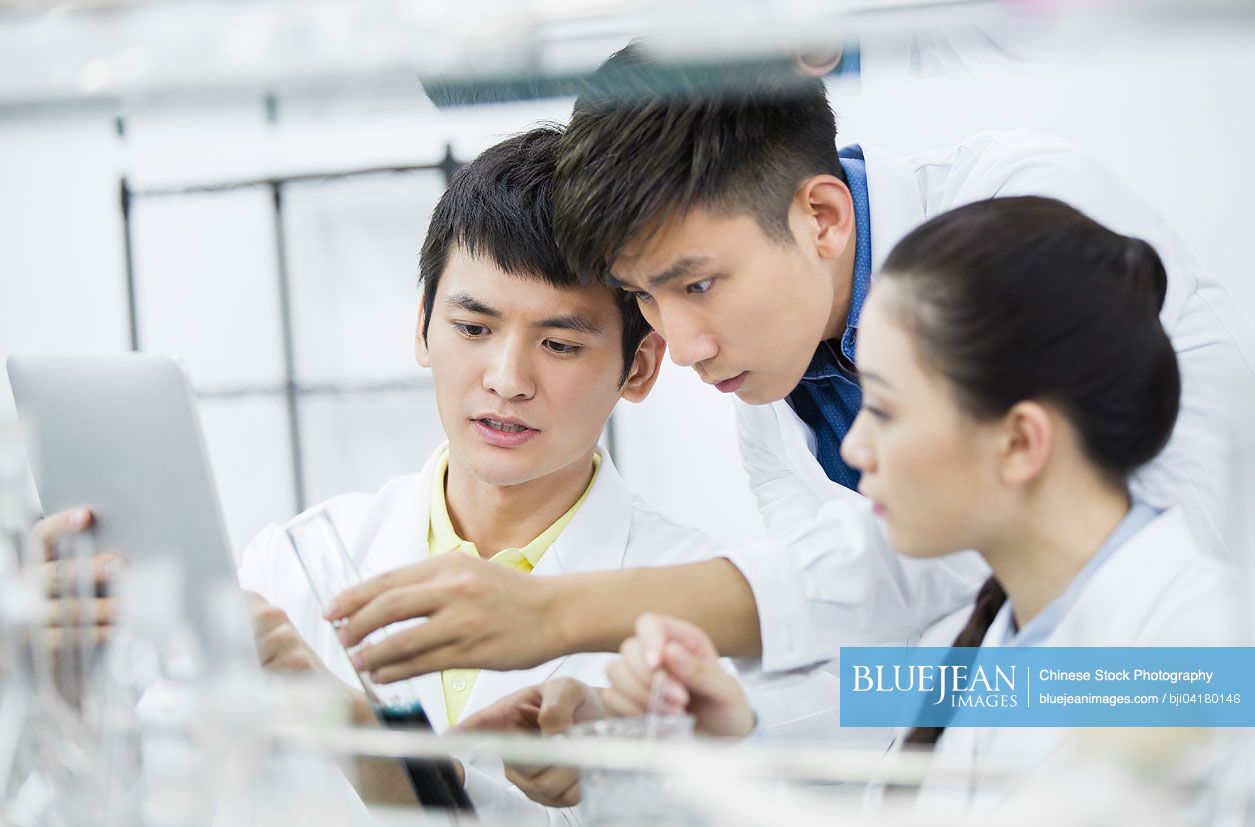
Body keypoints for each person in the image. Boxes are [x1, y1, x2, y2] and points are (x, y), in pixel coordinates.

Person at [325, 41, 1253, 692]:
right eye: (645, 296)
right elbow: (874, 647)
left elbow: (1161, 670)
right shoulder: (775, 393)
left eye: (697, 284)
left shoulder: (1029, 218)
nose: (681, 345)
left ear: (821, 218)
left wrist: (565, 614)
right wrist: (679, 723)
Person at [35, 126, 729, 827]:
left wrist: (353, 728)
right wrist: (70, 681)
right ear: (422, 325)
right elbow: (149, 807)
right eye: (473, 329)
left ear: (638, 368)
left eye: (558, 344)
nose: (506, 380)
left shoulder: (694, 598)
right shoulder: (295, 563)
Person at [598, 196, 1238, 807]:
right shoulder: (988, 644)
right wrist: (738, 733)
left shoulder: (1201, 653)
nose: (853, 449)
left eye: (884, 408)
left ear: (1020, 441)